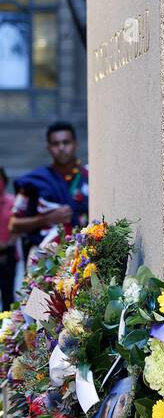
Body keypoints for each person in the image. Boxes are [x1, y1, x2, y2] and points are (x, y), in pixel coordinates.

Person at [9, 121, 89, 261]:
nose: (61, 148)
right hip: (44, 260)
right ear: (49, 148)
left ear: (75, 144)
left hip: (83, 258)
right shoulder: (33, 181)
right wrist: (47, 218)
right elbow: (13, 224)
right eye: (56, 144)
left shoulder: (89, 177)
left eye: (66, 142)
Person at [0, 167, 17, 313]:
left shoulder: (12, 201)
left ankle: (6, 328)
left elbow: (17, 226)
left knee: (7, 293)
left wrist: (9, 243)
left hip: (8, 253)